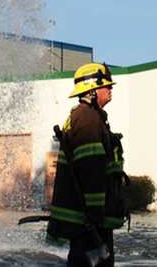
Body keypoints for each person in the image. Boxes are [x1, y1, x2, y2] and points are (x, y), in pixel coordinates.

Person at [47, 62, 126, 267]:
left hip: (91, 220)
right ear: (91, 90)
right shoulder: (87, 118)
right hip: (89, 221)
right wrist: (95, 211)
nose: (110, 88)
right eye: (106, 85)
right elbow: (91, 168)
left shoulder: (91, 117)